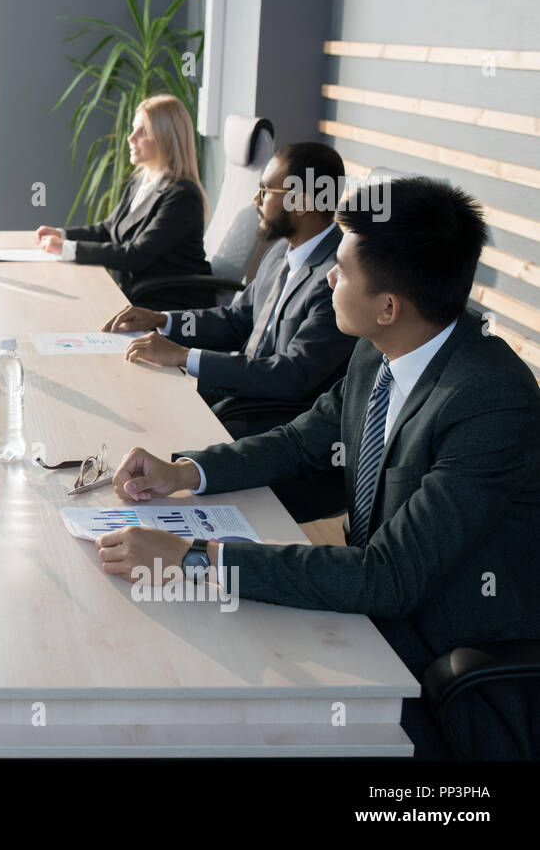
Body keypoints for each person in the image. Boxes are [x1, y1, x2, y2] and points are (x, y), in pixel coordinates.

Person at [100, 177, 540, 758]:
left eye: (342, 268)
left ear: (388, 305)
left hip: (441, 661)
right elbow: (302, 441)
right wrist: (185, 472)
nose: (328, 277)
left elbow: (389, 576)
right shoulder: (382, 345)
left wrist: (191, 557)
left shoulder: (489, 401)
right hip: (371, 610)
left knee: (232, 708)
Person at [104, 142, 357, 441]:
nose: (255, 199)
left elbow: (291, 376)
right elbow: (237, 319)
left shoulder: (336, 279)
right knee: (129, 399)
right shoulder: (280, 251)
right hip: (238, 396)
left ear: (300, 204)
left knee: (152, 430)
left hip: (275, 425)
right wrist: (162, 320)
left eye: (265, 191)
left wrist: (185, 356)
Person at [34, 93, 213, 311]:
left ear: (167, 138)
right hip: (134, 296)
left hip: (165, 306)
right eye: (133, 129)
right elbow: (109, 228)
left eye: (143, 132)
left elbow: (135, 256)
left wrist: (68, 248)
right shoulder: (140, 182)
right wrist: (63, 235)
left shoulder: (182, 196)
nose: (131, 138)